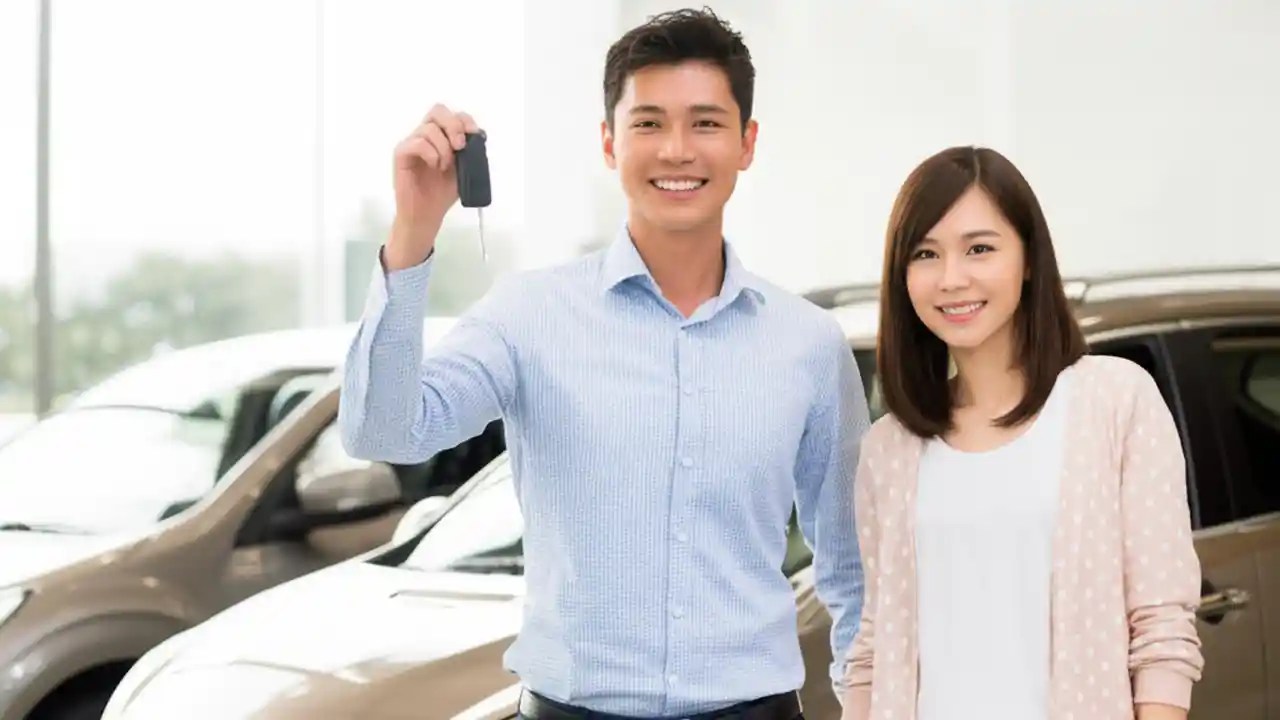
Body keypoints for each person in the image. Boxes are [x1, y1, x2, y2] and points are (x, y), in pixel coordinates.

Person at [338, 8, 870, 720]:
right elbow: (382, 434)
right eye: (648, 122)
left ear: (746, 144)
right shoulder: (528, 315)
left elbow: (852, 565)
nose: (677, 149)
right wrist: (413, 231)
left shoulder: (807, 344)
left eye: (706, 123)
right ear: (609, 142)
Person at [839, 146, 1204, 720]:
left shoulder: (1113, 400)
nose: (952, 278)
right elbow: (875, 647)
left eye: (979, 248)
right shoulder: (889, 449)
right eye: (925, 254)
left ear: (1029, 258)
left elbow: (1161, 628)